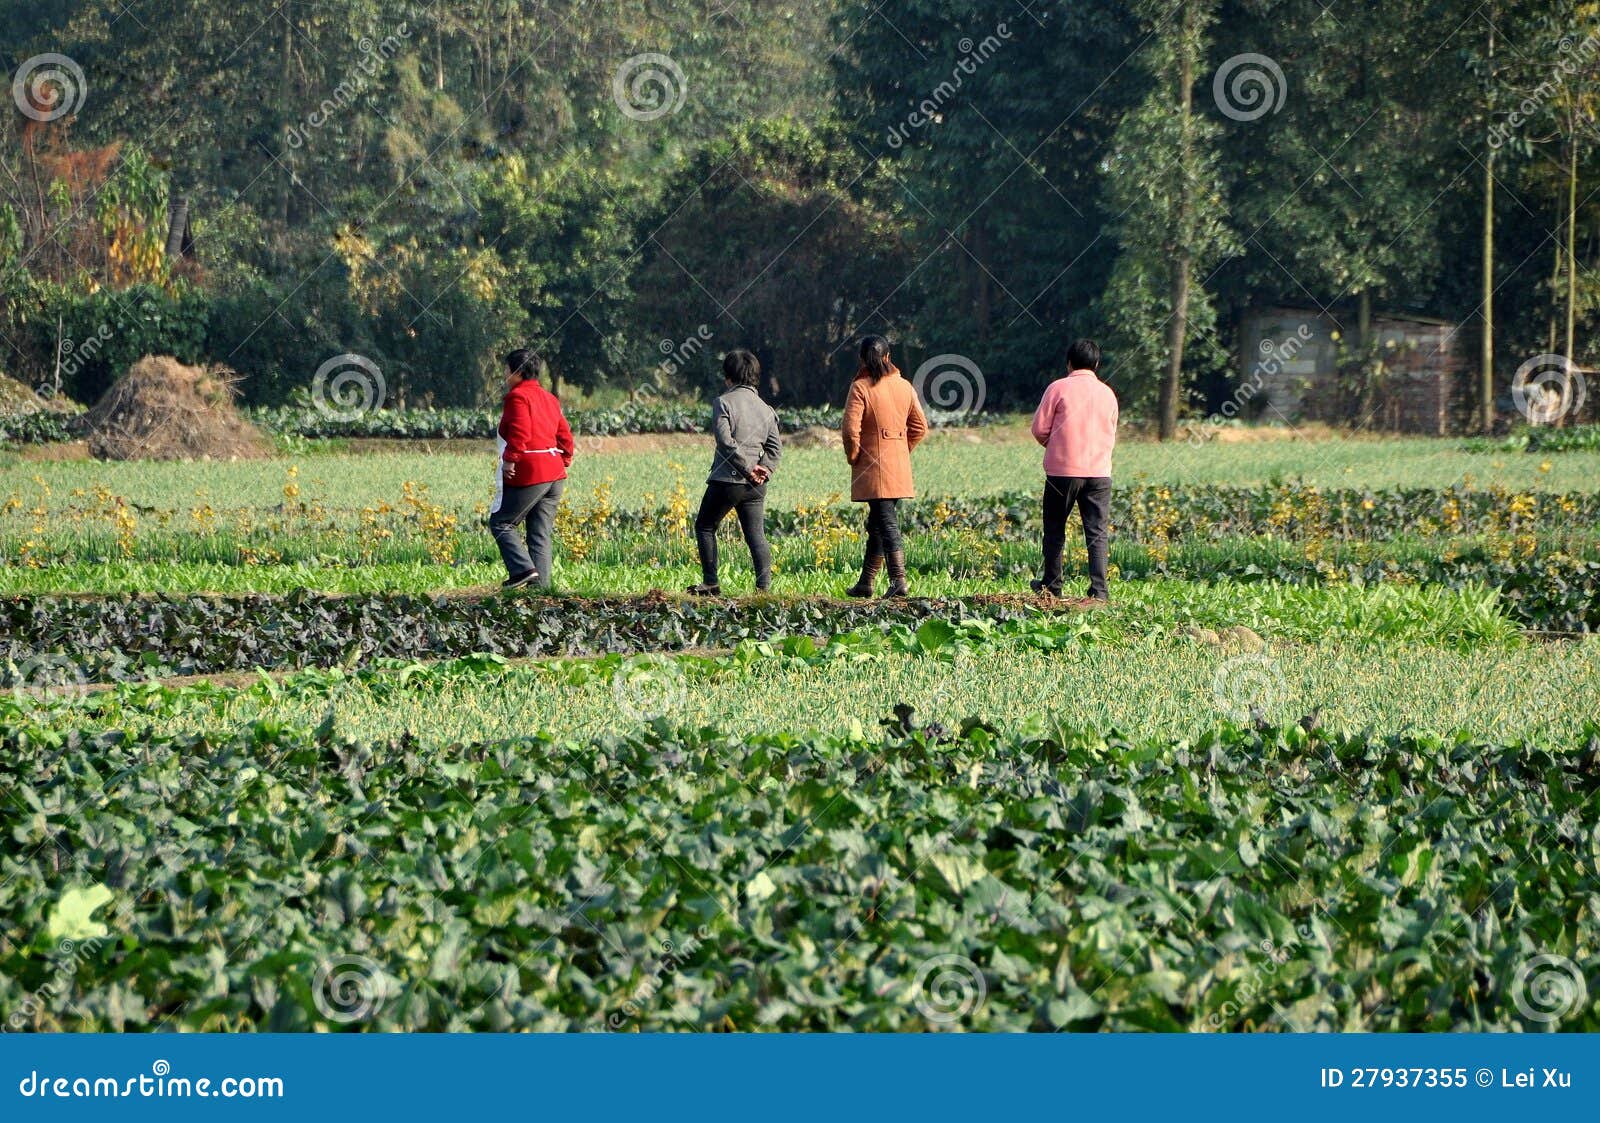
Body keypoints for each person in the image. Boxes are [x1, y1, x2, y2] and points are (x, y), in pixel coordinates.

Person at [1030, 338, 1118, 601]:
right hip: (1100, 472)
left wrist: (1057, 445)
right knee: (1097, 532)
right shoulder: (1108, 393)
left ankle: (1052, 584)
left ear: (1069, 363)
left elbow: (1039, 429)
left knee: (1055, 527)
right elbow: (1111, 431)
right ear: (1097, 364)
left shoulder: (1058, 388)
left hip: (1063, 472)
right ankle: (1099, 590)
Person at [688, 349, 782, 596]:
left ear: (728, 377)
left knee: (705, 526)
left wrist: (746, 469)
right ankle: (763, 589)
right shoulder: (766, 409)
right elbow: (775, 448)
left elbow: (725, 442)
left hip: (727, 481)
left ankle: (711, 583)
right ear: (755, 377)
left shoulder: (724, 402)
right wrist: (764, 470)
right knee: (756, 536)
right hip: (756, 485)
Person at [841, 335, 927, 597]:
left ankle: (898, 581)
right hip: (898, 466)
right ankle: (866, 583)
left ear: (861, 359)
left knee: (886, 523)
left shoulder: (860, 388)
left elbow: (849, 430)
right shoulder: (904, 386)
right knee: (878, 522)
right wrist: (900, 450)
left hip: (873, 467)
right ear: (888, 357)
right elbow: (920, 427)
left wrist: (854, 456)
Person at [489, 348, 574, 589]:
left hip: (532, 472)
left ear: (517, 372)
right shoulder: (549, 398)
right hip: (555, 474)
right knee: (539, 533)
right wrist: (563, 459)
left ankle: (523, 571)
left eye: (506, 370)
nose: (505, 375)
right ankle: (541, 590)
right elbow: (564, 435)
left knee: (502, 523)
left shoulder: (518, 397)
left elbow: (520, 432)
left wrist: (511, 459)